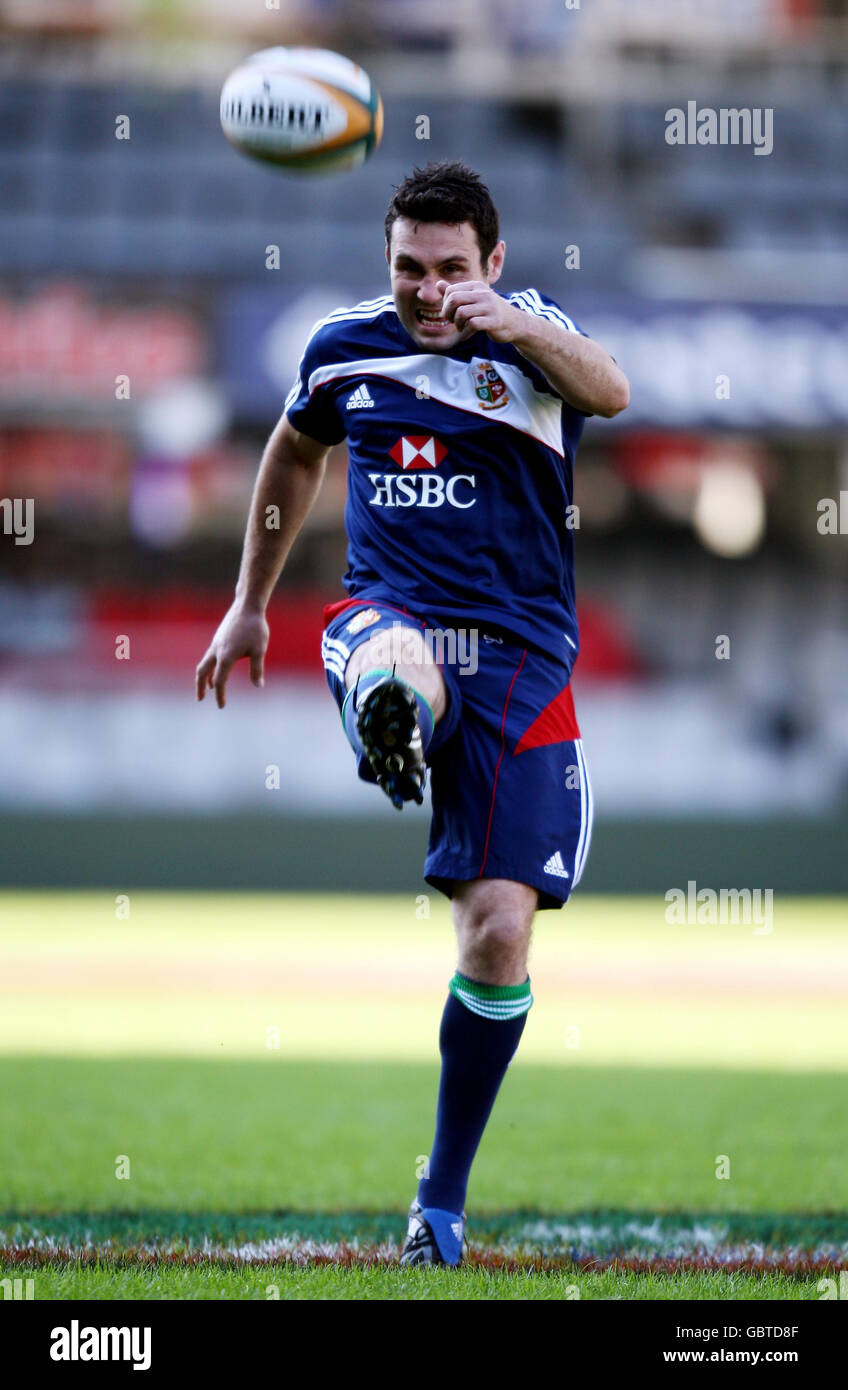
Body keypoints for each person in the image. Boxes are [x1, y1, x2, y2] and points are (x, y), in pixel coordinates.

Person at [196, 160, 629, 1266]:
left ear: (489, 262)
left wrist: (518, 329)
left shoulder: (533, 342)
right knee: (396, 656)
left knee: (495, 931)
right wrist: (249, 603)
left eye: (449, 269)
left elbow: (612, 389)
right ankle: (387, 713)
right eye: (406, 269)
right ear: (383, 263)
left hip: (523, 661)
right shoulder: (342, 346)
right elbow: (293, 447)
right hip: (387, 616)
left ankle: (437, 1201)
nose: (427, 291)